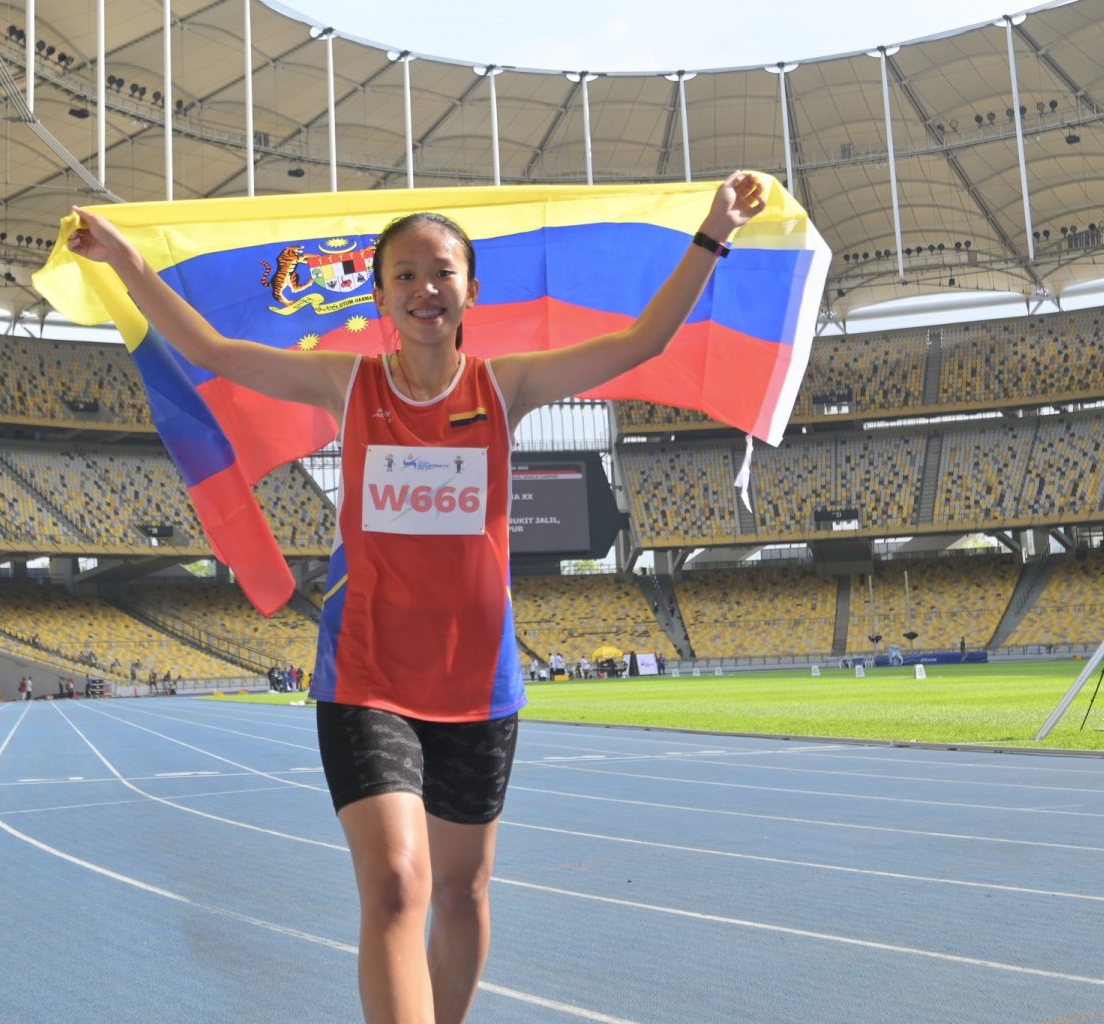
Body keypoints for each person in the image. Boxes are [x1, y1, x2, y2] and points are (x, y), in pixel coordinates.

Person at [65, 171, 765, 1024]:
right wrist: (131, 266)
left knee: (463, 895)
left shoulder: (505, 387)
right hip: (367, 674)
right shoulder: (346, 386)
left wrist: (713, 230)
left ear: (471, 288)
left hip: (478, 684)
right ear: (378, 293)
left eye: (441, 271)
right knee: (399, 882)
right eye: (403, 273)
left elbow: (647, 341)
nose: (424, 288)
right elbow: (213, 353)